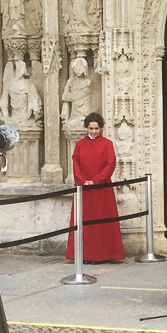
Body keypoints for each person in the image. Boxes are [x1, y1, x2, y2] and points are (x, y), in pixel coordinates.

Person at [66, 113, 124, 263]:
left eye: (96, 128)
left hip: (101, 188)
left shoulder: (107, 144)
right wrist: (82, 180)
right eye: (91, 128)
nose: (93, 131)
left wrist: (96, 180)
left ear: (101, 128)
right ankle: (83, 255)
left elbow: (110, 164)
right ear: (86, 128)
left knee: (101, 224)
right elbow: (75, 163)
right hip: (84, 188)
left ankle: (103, 255)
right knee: (84, 223)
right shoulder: (80, 144)